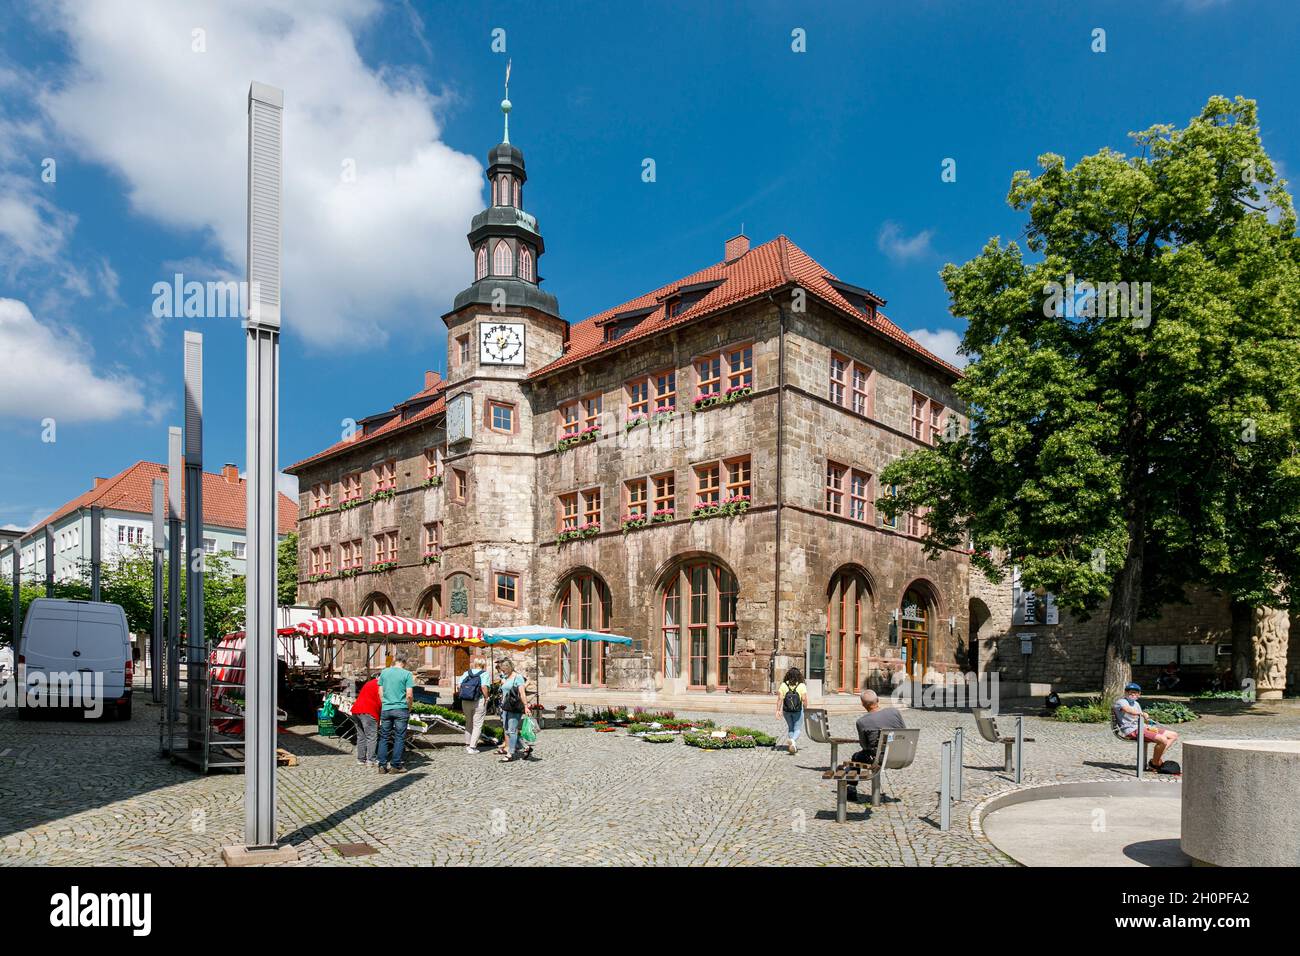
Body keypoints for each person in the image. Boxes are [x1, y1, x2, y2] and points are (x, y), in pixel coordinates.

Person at [847, 689, 906, 801]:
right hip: (901, 755)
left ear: (863, 705)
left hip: (878, 759)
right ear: (878, 700)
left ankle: (851, 788)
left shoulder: (862, 722)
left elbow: (864, 746)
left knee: (856, 757)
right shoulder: (894, 712)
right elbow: (904, 732)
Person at [1114, 682, 1180, 773]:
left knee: (1173, 735)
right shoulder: (1121, 702)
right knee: (1163, 740)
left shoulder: (1136, 703)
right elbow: (1128, 710)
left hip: (1143, 727)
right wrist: (1141, 713)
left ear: (1139, 694)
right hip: (1132, 730)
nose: (1133, 694)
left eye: (1135, 692)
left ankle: (1154, 760)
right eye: (1130, 692)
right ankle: (1155, 763)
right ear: (1125, 693)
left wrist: (1148, 721)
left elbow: (1140, 718)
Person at [376, 652, 415, 774]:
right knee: (399, 737)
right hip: (401, 708)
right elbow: (409, 695)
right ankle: (395, 765)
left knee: (384, 737)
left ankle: (382, 765)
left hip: (386, 708)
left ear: (394, 660)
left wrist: (385, 703)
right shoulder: (407, 674)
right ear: (405, 661)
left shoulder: (385, 672)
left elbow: (380, 692)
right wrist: (409, 708)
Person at [497, 659, 532, 762]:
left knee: (512, 730)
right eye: (502, 670)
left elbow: (522, 693)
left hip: (514, 707)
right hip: (505, 707)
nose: (503, 671)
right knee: (508, 731)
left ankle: (510, 753)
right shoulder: (505, 677)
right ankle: (526, 747)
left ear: (509, 667)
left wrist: (526, 706)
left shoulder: (518, 677)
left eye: (504, 669)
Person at [456, 656, 491, 753]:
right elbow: (484, 687)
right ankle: (472, 747)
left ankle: (467, 744)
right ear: (483, 664)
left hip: (465, 700)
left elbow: (459, 686)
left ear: (474, 663)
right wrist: (486, 697)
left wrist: (465, 693)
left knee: (468, 722)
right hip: (478, 701)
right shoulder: (484, 674)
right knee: (477, 724)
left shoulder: (467, 673)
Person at [775, 666, 807, 754]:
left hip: (786, 711)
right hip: (797, 711)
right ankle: (792, 741)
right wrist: (806, 709)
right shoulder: (801, 685)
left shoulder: (783, 685)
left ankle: (792, 746)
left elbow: (780, 699)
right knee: (797, 729)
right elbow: (804, 699)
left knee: (791, 728)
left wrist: (778, 710)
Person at [350, 675, 381, 767]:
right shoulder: (381, 685)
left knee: (361, 736)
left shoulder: (369, 683)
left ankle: (361, 759)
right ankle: (371, 759)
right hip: (369, 711)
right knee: (371, 736)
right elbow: (381, 701)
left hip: (357, 710)